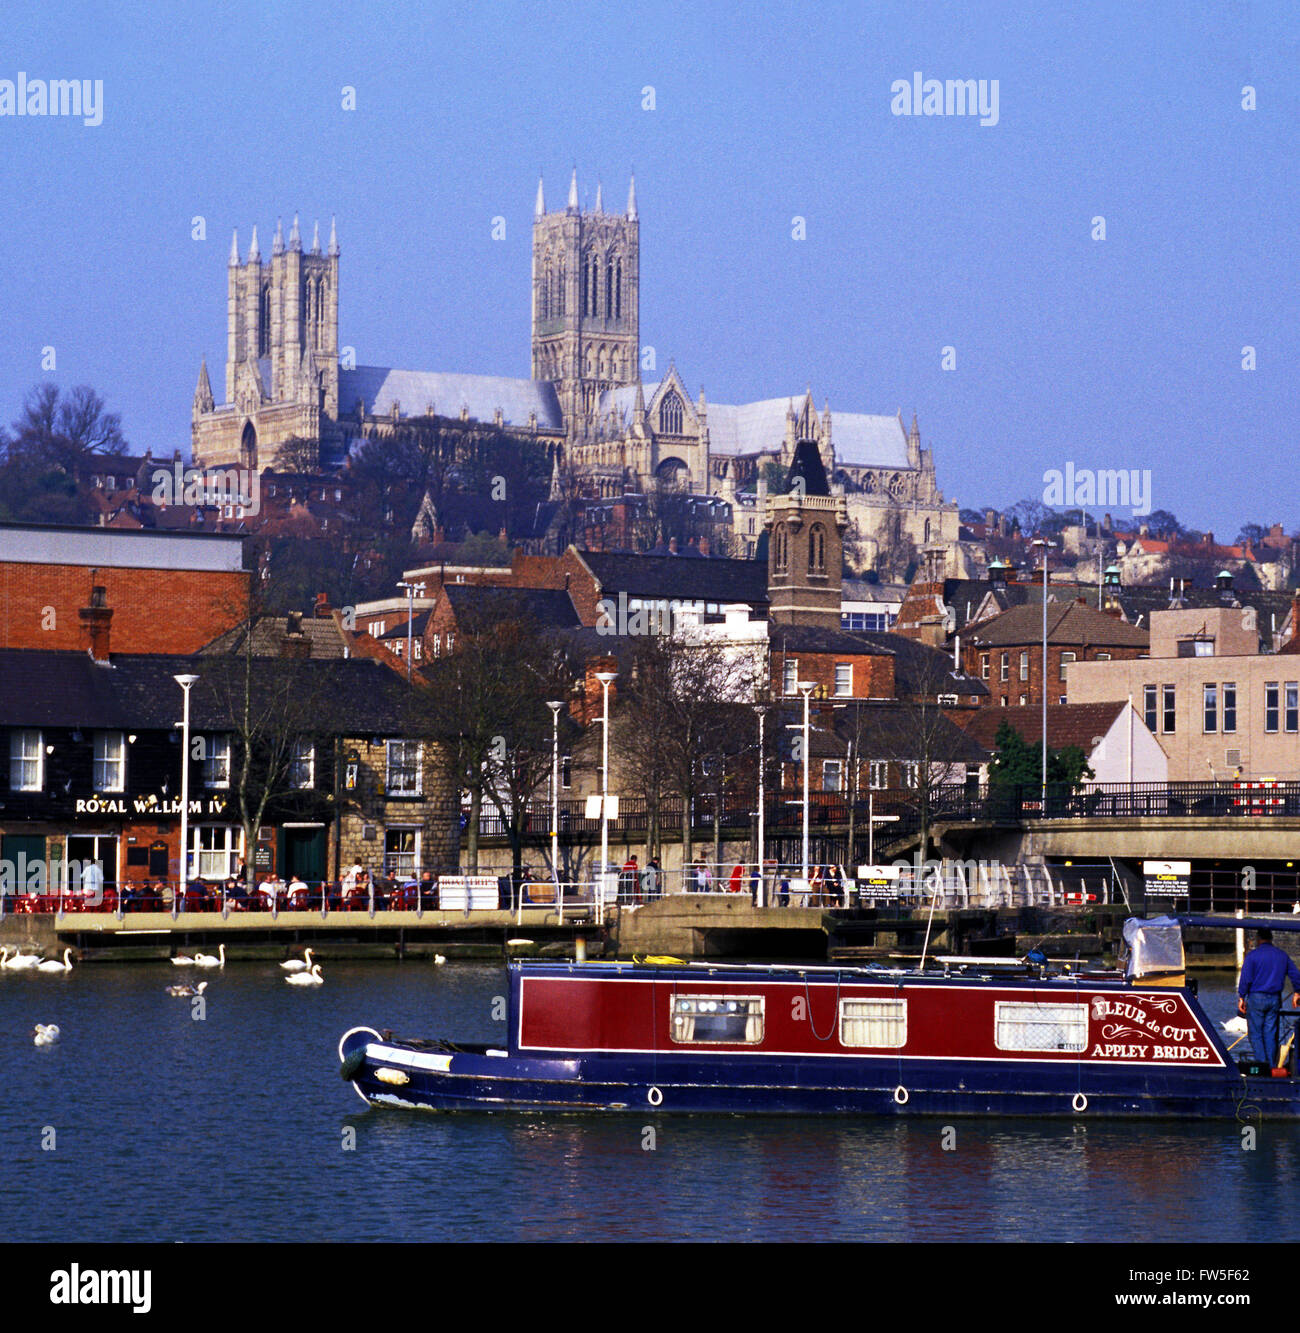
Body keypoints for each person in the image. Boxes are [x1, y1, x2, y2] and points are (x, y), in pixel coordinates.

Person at [1237, 928, 1300, 1067]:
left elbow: (1245, 979)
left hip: (1256, 998)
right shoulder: (1282, 955)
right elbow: (1296, 975)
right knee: (1271, 1034)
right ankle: (1271, 1066)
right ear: (1271, 939)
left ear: (1258, 939)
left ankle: (1262, 1064)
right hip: (1274, 999)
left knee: (1255, 1034)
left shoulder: (1252, 956)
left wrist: (1241, 996)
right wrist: (1297, 992)